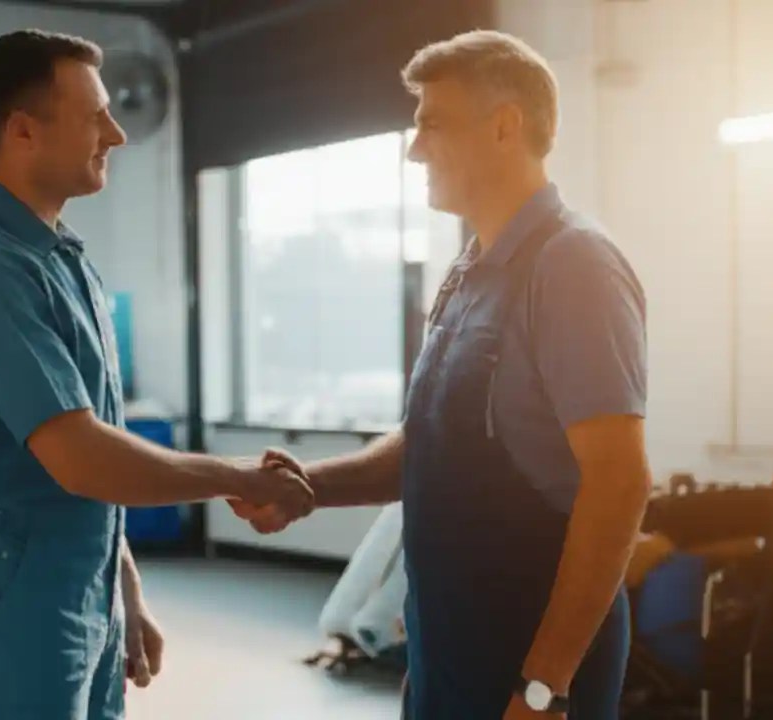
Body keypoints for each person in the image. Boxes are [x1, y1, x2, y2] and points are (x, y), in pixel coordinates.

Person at [236, 30, 651, 719]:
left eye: (432, 122)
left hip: (531, 666)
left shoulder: (573, 266)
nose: (414, 147)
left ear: (504, 126)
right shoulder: (468, 273)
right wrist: (308, 489)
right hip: (453, 656)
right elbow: (430, 443)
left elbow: (619, 484)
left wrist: (544, 686)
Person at [0, 30, 313, 720]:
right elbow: (81, 458)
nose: (117, 135)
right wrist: (237, 475)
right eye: (96, 115)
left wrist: (122, 589)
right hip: (5, 595)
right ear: (24, 131)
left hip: (72, 590)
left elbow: (92, 455)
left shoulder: (60, 260)